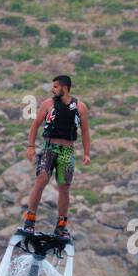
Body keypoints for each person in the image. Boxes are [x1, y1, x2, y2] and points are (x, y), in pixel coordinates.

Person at [19, 75, 91, 240]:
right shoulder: (48, 104)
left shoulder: (80, 107)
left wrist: (87, 153)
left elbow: (85, 131)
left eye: (56, 87)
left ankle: (61, 226)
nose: (53, 90)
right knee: (41, 180)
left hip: (67, 150)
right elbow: (35, 124)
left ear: (64, 88)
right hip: (48, 148)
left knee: (64, 187)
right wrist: (30, 146)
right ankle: (30, 220)